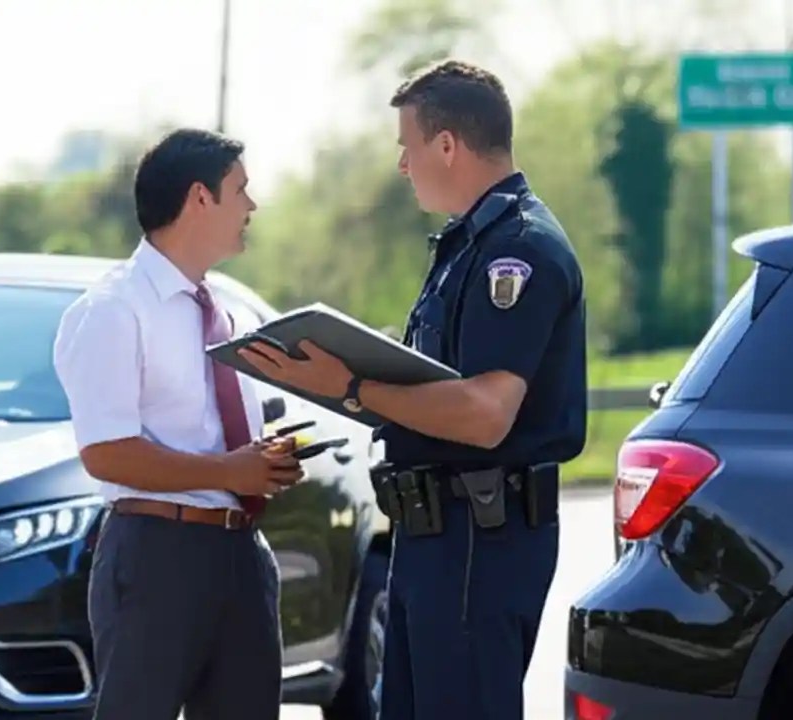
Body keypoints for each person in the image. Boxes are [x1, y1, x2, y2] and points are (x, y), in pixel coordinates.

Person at [238, 60, 587, 719]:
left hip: (477, 539)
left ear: (447, 144)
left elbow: (486, 414)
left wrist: (350, 385)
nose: (403, 164)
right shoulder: (467, 245)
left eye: (408, 146)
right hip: (436, 536)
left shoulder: (518, 251)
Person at [52, 127, 304, 720]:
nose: (251, 205)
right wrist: (229, 468)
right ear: (199, 198)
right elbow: (107, 454)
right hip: (158, 556)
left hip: (242, 555)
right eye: (239, 190)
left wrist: (263, 460)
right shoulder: (113, 311)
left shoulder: (224, 310)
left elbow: (214, 432)